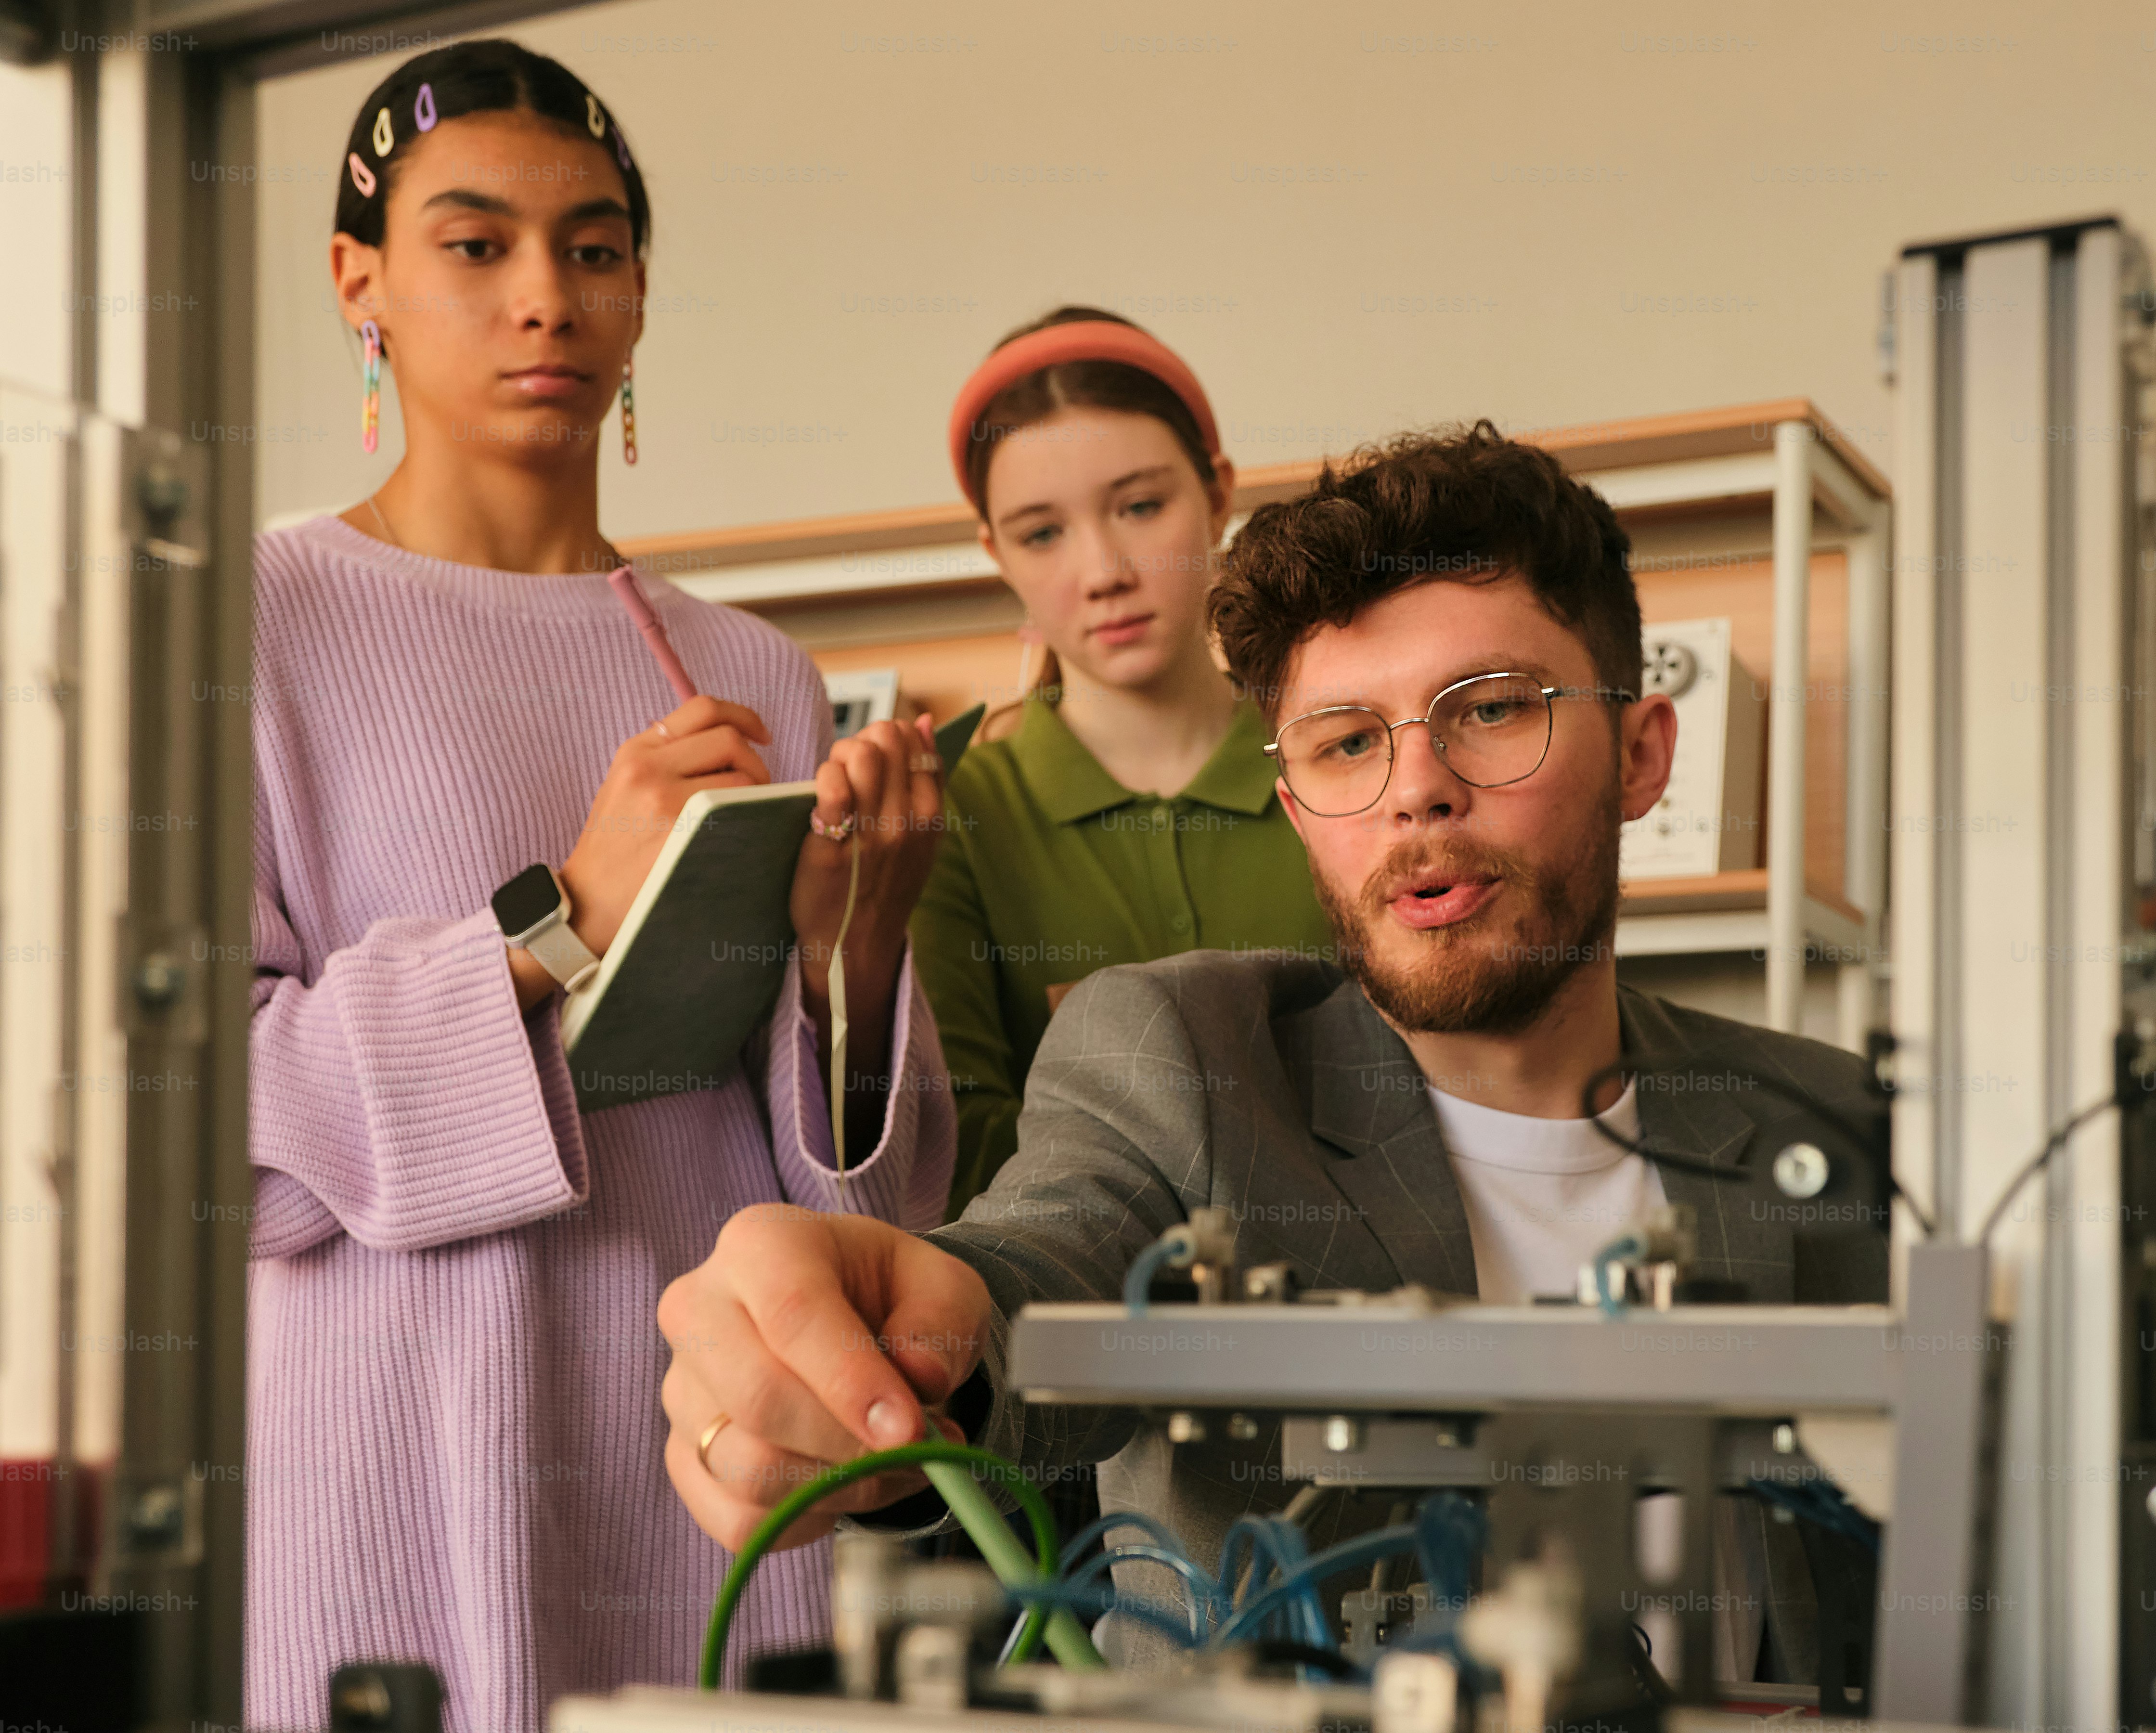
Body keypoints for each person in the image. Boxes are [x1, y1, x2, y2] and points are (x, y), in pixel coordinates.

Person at [658, 424, 1891, 1680]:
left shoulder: (1828, 1121)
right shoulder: (1192, 1066)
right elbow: (1029, 1280)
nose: (1418, 790)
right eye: (1350, 742)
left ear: (1640, 756)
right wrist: (908, 1343)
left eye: (1494, 711)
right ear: (1300, 811)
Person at [248, 41, 955, 1730]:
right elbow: (217, 1146)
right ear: (362, 283)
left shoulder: (751, 669)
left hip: (703, 1473)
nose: (544, 301)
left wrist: (862, 952)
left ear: (639, 296)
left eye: (594, 248)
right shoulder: (246, 629)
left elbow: (860, 1222)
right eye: (475, 246)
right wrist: (560, 907)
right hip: (377, 1489)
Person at [914, 307, 1331, 1220]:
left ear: (1217, 493)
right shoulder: (948, 822)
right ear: (995, 552)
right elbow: (962, 1158)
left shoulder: (1347, 768)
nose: (1103, 570)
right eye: (1042, 533)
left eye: (1141, 507)